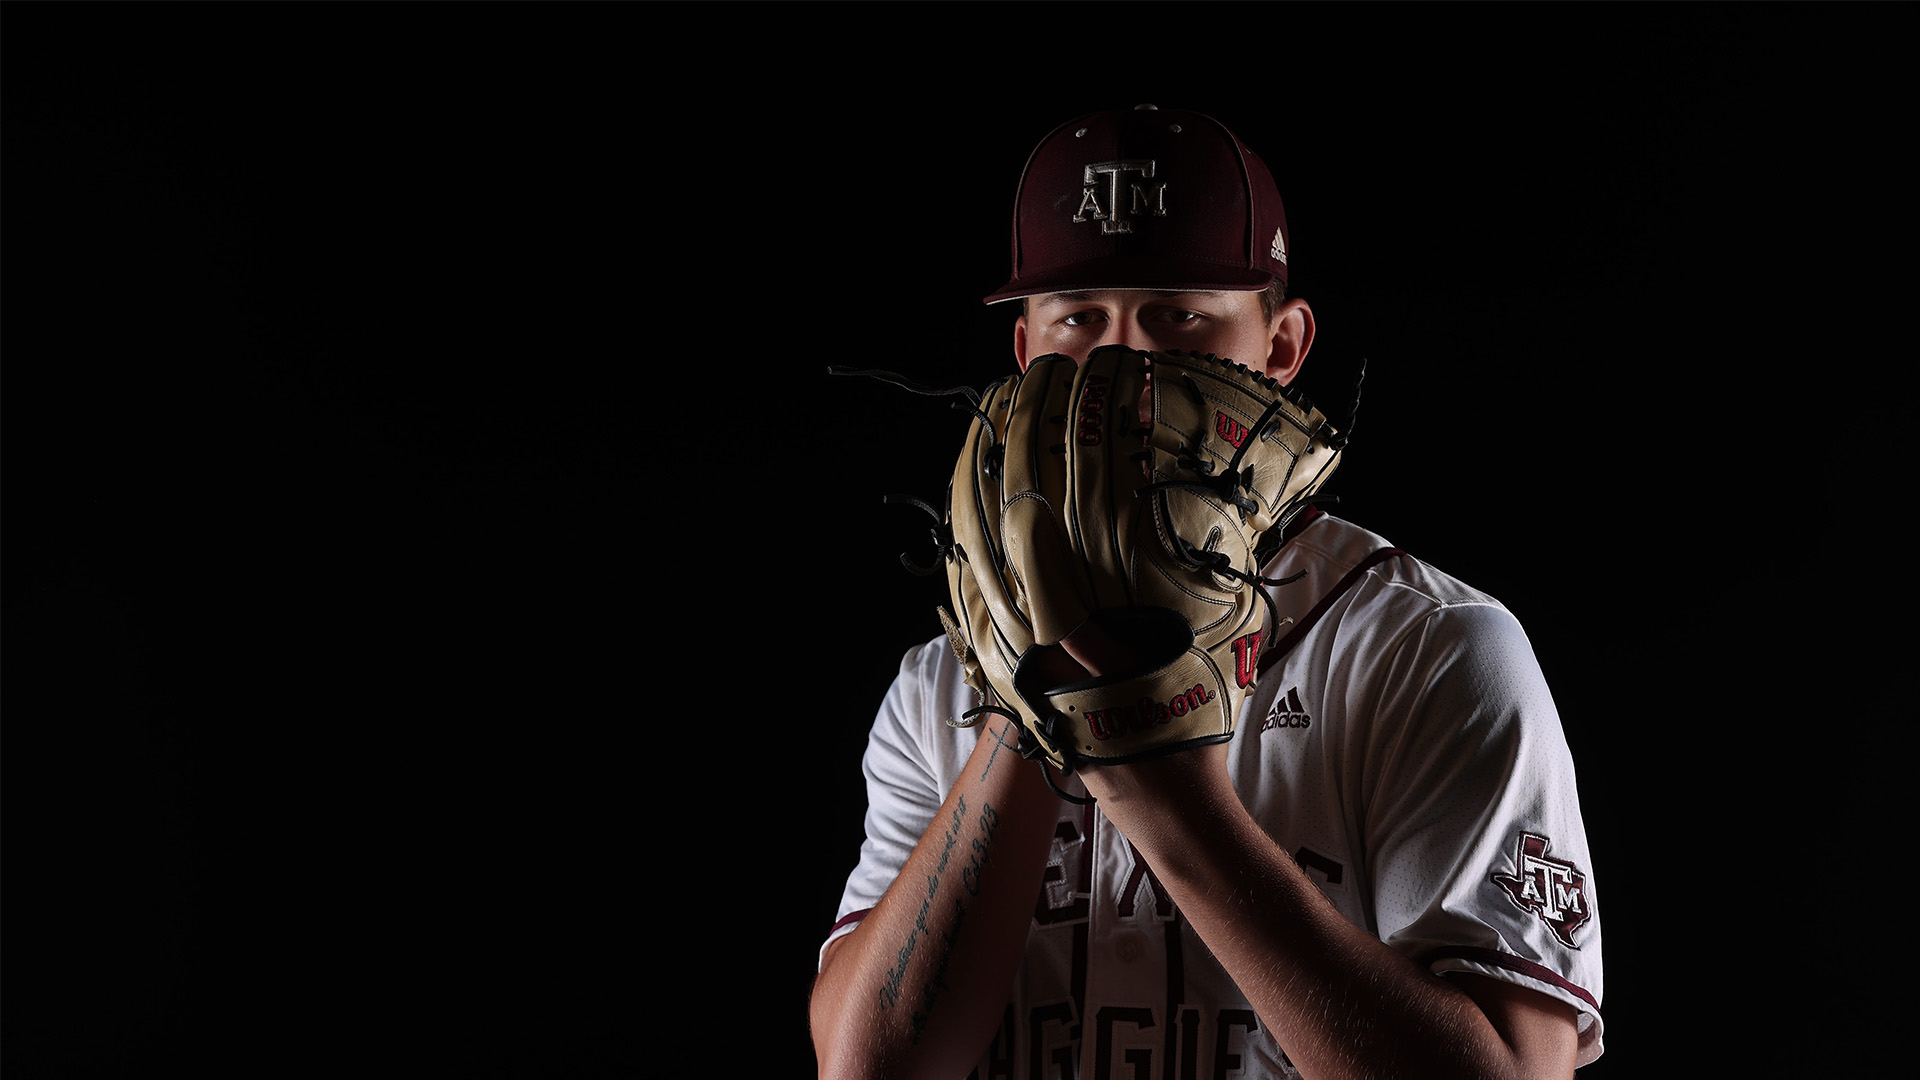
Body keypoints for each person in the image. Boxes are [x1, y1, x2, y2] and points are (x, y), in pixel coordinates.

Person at [809, 104, 1604, 1080]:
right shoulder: (939, 689)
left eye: (1178, 316)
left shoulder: (1430, 650)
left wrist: (1167, 796)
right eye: (1078, 320)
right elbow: (866, 1068)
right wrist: (1026, 710)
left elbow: (1521, 1073)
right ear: (1023, 356)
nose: (1119, 365)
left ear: (1282, 346)